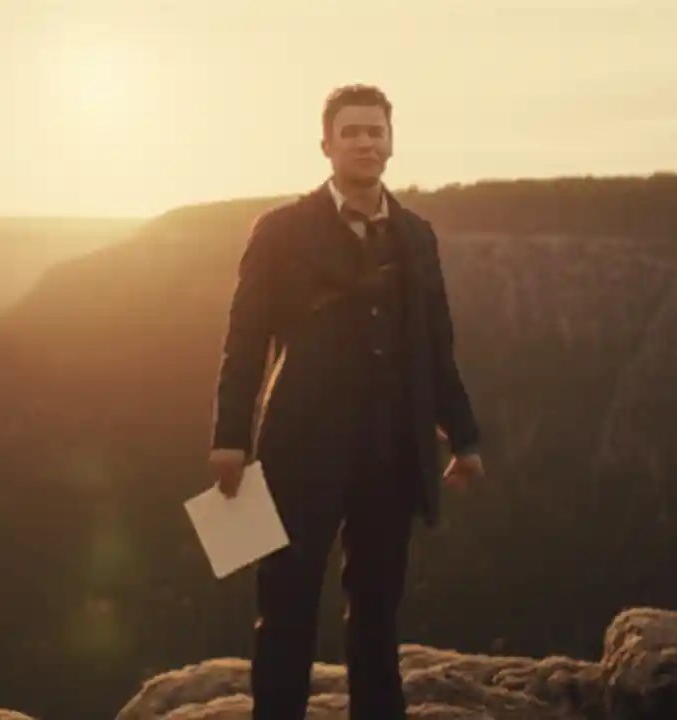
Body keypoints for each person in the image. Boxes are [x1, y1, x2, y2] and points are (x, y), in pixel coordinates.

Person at [208, 84, 487, 719]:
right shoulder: (279, 230)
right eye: (351, 132)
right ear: (326, 145)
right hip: (296, 449)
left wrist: (463, 438)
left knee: (377, 607)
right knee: (285, 605)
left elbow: (435, 346)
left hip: (391, 451)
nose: (366, 142)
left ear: (390, 141)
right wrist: (230, 437)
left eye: (376, 132)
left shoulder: (417, 234)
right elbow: (245, 339)